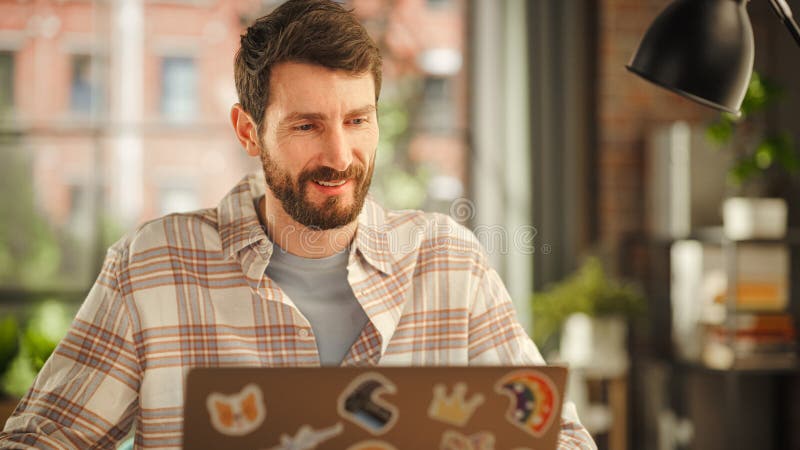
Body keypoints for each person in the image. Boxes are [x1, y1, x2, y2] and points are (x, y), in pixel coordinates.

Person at [0, 0, 596, 448]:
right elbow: (40, 440)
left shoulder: (449, 262)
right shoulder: (153, 267)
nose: (340, 156)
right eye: (307, 126)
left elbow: (559, 438)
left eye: (358, 120)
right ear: (248, 131)